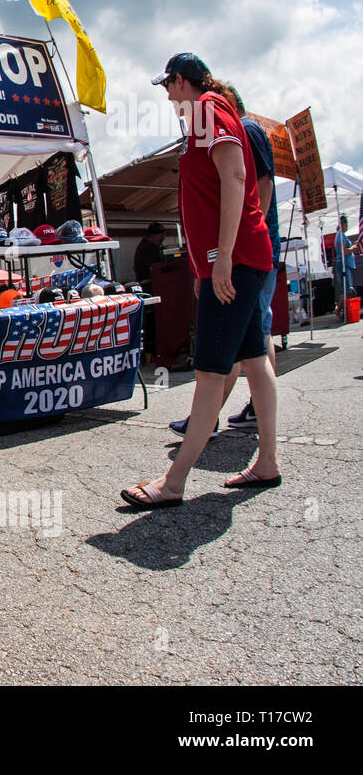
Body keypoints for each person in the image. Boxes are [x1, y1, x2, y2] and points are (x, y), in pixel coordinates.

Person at [122, 54, 278, 509]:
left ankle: (173, 483)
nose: (167, 95)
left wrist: (223, 258)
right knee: (254, 360)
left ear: (182, 80)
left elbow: (235, 177)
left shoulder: (208, 108)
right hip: (236, 258)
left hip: (233, 259)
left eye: (168, 85)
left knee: (210, 371)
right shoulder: (206, 115)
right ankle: (266, 461)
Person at [168, 86, 281, 435]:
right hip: (241, 253)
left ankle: (207, 420)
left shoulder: (243, 129)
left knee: (236, 344)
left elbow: (259, 183)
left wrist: (240, 243)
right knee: (253, 343)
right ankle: (243, 419)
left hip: (243, 255)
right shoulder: (238, 128)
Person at [333, 214, 356, 317]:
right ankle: (342, 311)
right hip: (343, 265)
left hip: (343, 264)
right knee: (347, 289)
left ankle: (340, 311)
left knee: (345, 290)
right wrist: (352, 249)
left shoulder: (339, 235)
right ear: (344, 224)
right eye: (346, 225)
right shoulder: (341, 235)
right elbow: (343, 251)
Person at [133, 222, 166, 288]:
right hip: (148, 284)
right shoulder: (148, 248)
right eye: (162, 235)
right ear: (155, 235)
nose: (163, 238)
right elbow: (156, 267)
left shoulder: (147, 245)